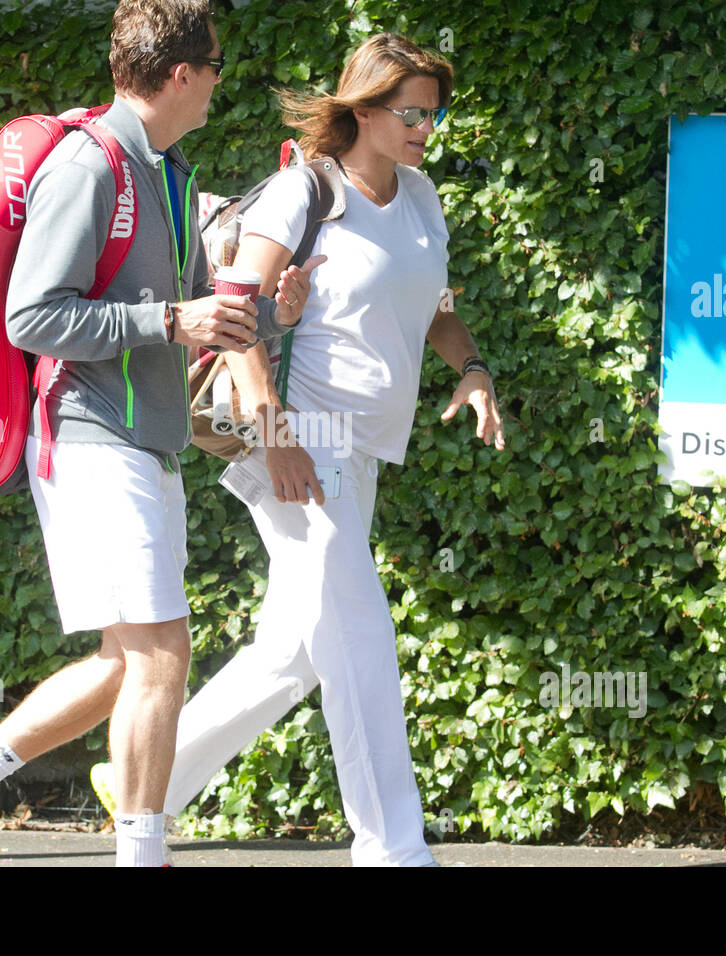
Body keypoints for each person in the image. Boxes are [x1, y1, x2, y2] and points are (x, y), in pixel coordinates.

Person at [0, 0, 318, 868]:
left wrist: (270, 315)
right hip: (89, 438)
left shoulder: (170, 169)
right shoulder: (90, 166)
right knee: (165, 651)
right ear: (181, 73)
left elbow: (205, 319)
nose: (223, 80)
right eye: (217, 65)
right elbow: (32, 317)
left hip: (141, 444)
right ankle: (142, 855)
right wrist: (169, 317)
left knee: (127, 663)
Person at [95, 32, 507, 866]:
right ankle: (393, 848)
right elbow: (236, 307)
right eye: (411, 112)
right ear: (363, 109)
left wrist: (472, 369)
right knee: (359, 632)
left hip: (361, 451)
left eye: (434, 111)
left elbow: (434, 305)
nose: (427, 125)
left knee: (292, 653)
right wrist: (278, 431)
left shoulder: (422, 198)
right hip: (298, 438)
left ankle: (150, 782)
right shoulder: (303, 191)